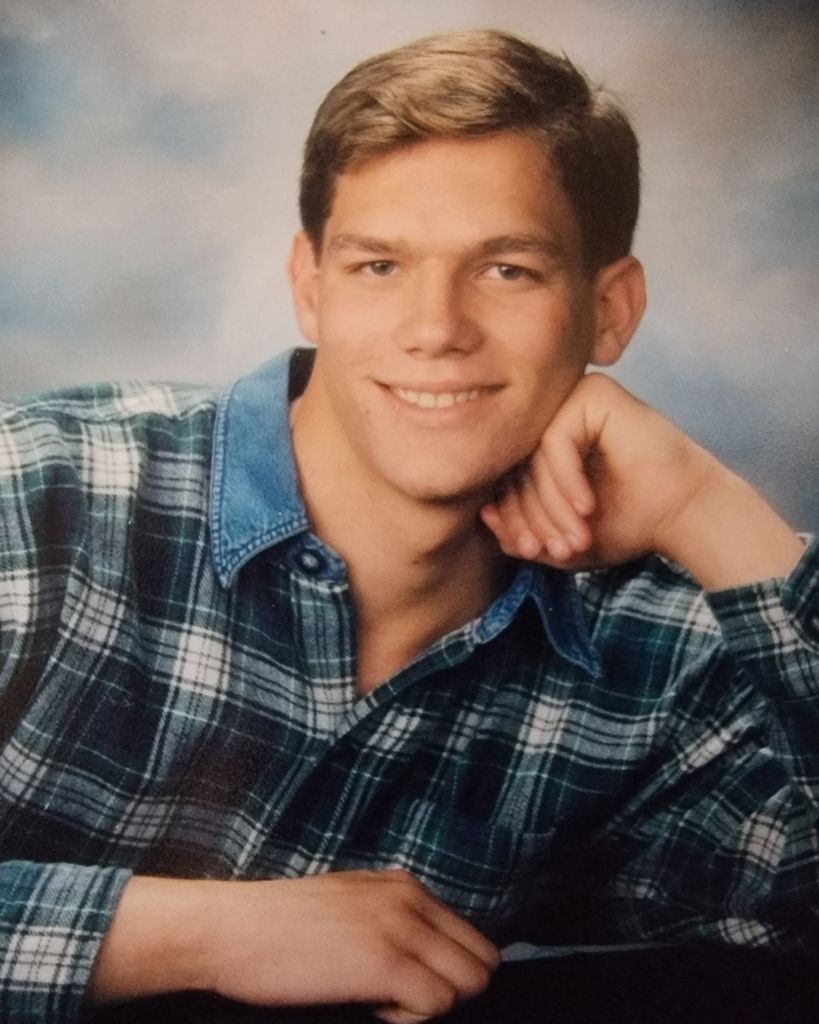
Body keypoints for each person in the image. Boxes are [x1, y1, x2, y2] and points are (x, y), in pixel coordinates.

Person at [0, 27, 816, 1024]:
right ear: (310, 287)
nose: (436, 330)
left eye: (506, 269)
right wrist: (201, 934)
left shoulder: (658, 665)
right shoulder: (40, 489)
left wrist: (704, 504)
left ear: (609, 309)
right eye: (380, 266)